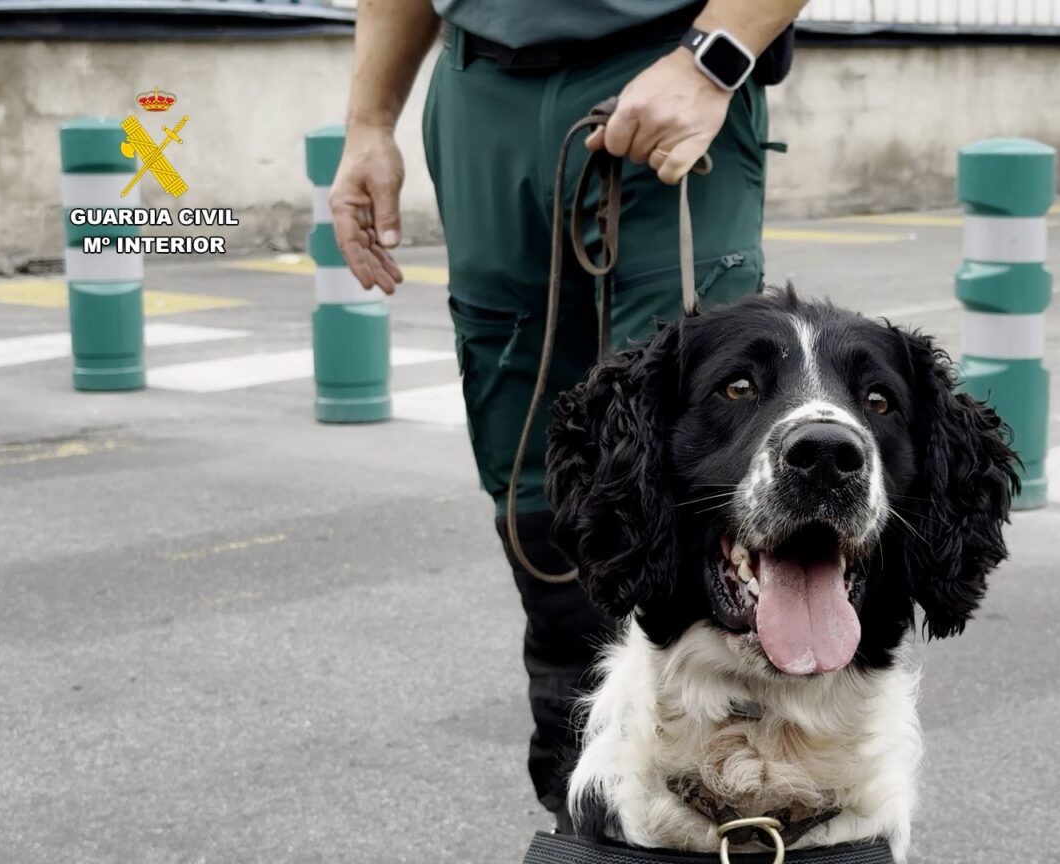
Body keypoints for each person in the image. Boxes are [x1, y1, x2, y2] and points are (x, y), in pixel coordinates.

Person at [328, 0, 808, 832]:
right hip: (482, 88)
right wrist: (369, 122)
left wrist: (715, 58)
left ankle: (729, 811)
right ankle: (582, 808)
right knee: (532, 482)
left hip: (663, 66)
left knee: (696, 457)